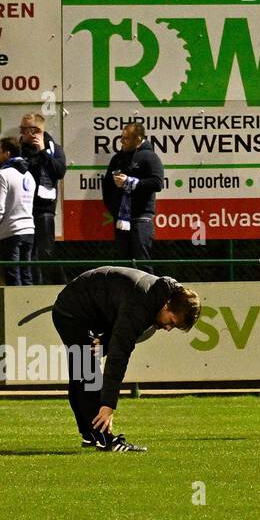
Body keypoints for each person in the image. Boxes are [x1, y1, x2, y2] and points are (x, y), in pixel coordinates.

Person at [51, 266, 201, 452]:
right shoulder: (141, 305)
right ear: (166, 306)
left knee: (82, 373)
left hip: (86, 307)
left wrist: (104, 341)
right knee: (87, 374)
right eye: (171, 322)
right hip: (72, 311)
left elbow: (116, 316)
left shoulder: (168, 294)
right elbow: (118, 357)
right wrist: (107, 405)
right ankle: (104, 440)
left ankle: (90, 435)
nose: (168, 328)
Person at [101, 122, 165, 271]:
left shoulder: (150, 157)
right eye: (121, 138)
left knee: (142, 261)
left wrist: (131, 182)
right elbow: (107, 186)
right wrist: (113, 208)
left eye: (126, 138)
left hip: (141, 218)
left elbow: (157, 183)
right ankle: (126, 293)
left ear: (137, 140)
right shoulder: (117, 159)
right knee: (123, 264)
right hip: (121, 219)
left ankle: (148, 293)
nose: (122, 141)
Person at [20, 113, 67, 284]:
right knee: (26, 252)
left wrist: (42, 152)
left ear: (36, 131)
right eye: (22, 129)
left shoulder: (54, 149)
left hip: (44, 209)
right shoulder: (19, 148)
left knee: (45, 251)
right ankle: (30, 287)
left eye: (26, 130)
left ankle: (57, 286)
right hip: (22, 208)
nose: (23, 133)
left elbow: (60, 171)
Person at [0, 137, 37, 285]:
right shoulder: (29, 175)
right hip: (29, 231)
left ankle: (16, 309)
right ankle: (30, 307)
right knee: (26, 274)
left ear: (7, 153)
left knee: (12, 275)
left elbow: (0, 208)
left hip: (11, 232)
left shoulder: (3, 174)